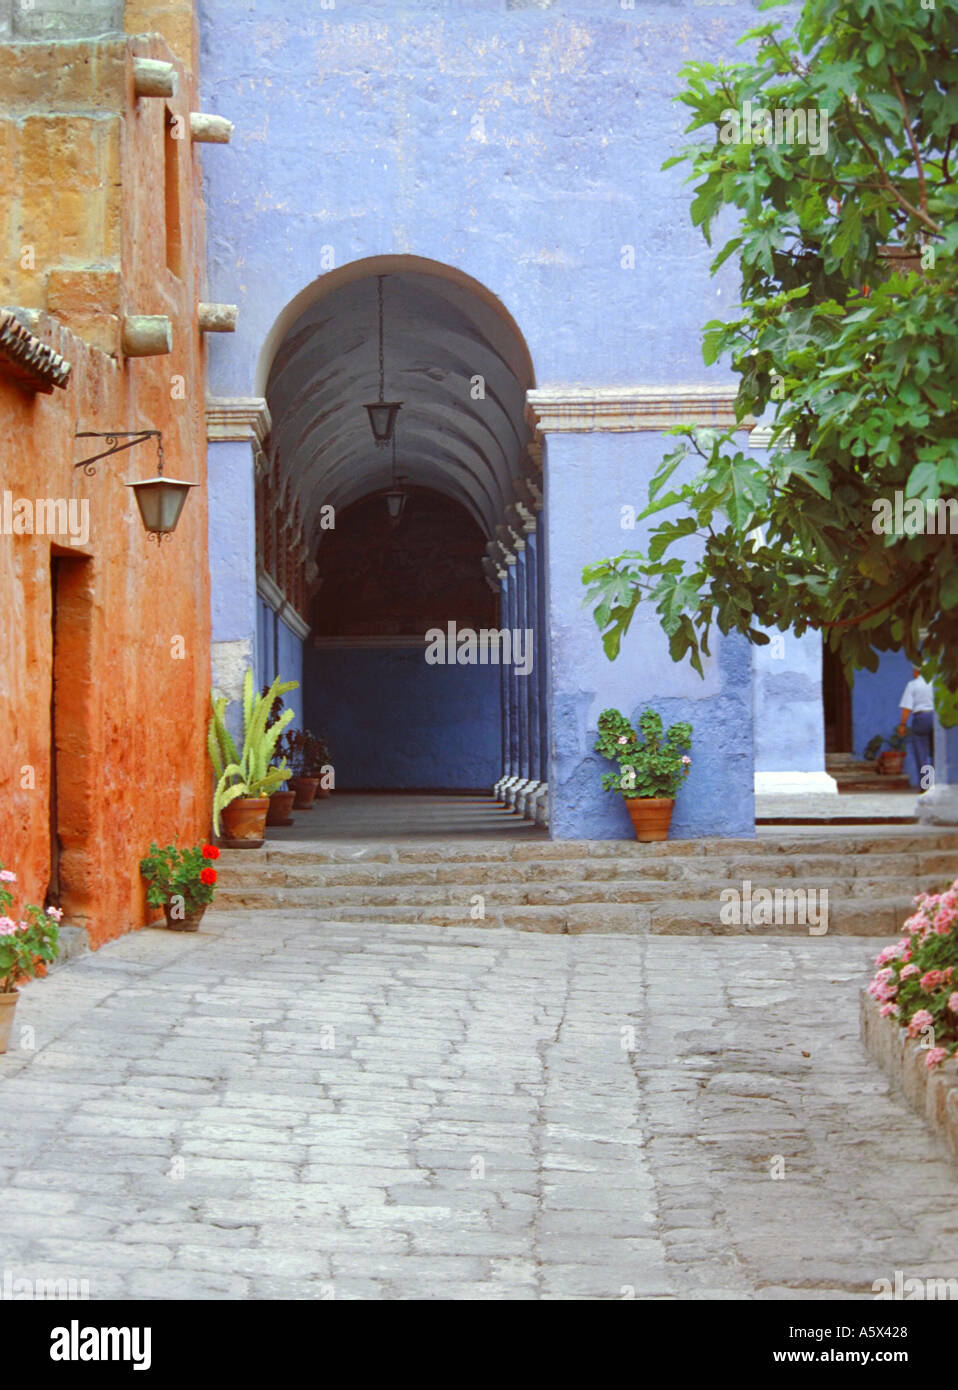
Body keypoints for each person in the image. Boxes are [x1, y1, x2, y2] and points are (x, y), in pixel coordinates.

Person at [898, 667, 935, 789]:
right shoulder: (935, 682)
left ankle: (926, 785)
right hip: (936, 718)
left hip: (921, 719)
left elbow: (907, 707)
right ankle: (938, 784)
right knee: (936, 754)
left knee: (922, 754)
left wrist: (902, 724)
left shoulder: (913, 685)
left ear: (916, 671)